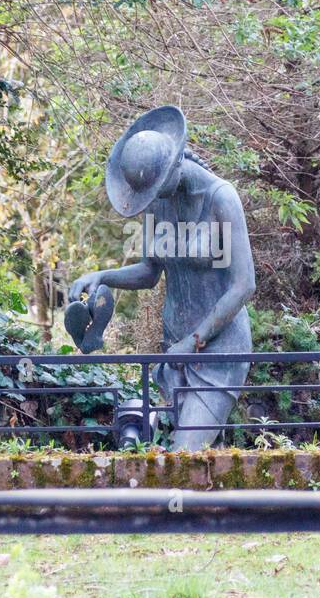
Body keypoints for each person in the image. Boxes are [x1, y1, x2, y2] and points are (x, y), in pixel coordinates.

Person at [69, 106, 256, 451]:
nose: (151, 196)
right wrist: (101, 275)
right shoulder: (159, 203)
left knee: (183, 454)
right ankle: (210, 505)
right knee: (192, 457)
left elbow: (244, 285)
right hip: (175, 347)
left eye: (155, 187)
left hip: (218, 349)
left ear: (174, 166)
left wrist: (195, 341)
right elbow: (149, 272)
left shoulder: (220, 198)